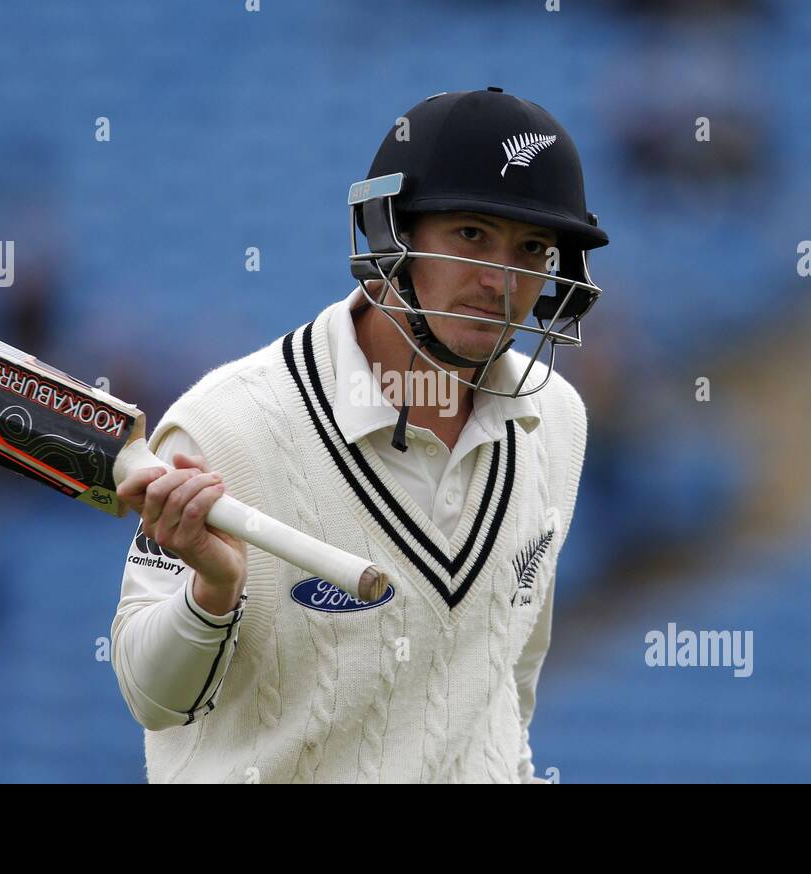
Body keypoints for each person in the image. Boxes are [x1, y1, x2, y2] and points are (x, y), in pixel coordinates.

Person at [111, 87, 608, 783]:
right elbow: (151, 698)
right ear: (390, 235)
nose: (500, 281)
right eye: (471, 234)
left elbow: (507, 682)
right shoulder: (226, 424)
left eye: (531, 248)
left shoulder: (555, 418)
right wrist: (211, 593)